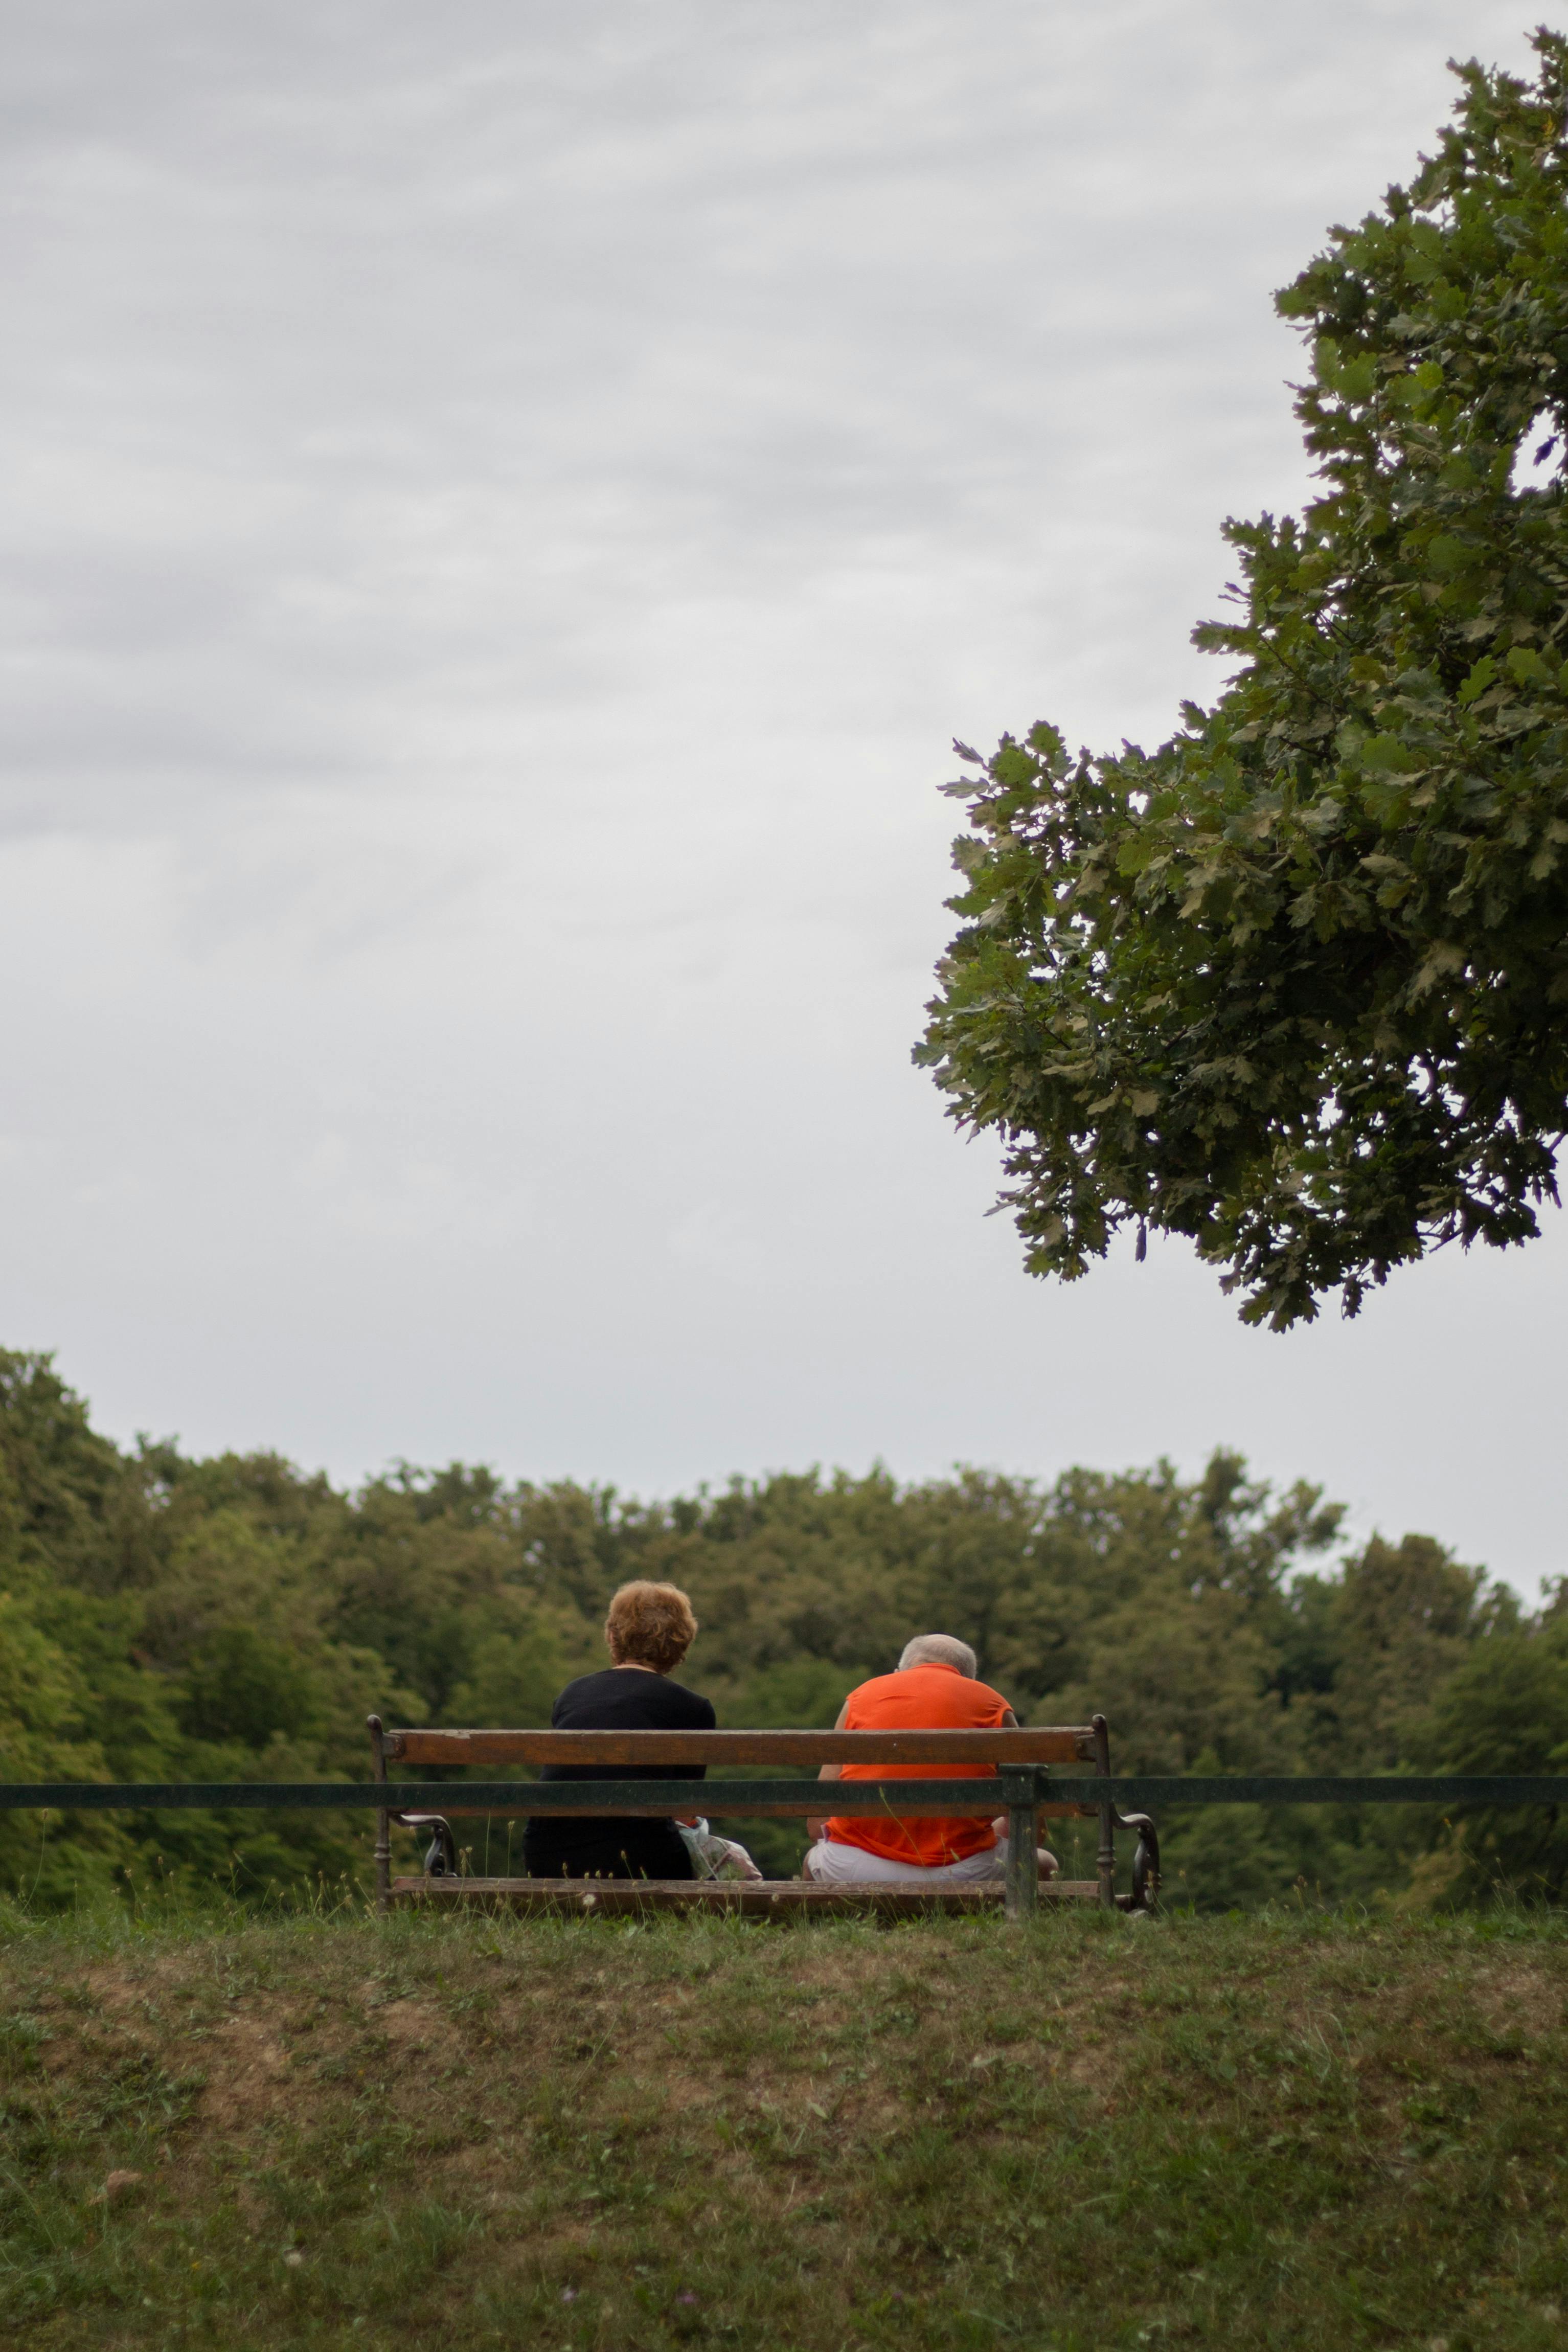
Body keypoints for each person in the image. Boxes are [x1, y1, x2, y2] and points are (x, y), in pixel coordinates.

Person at [801, 1634, 1058, 1885]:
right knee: (1044, 1863)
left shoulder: (860, 1698)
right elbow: (1032, 1833)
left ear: (899, 1671)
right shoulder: (991, 1703)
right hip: (965, 1872)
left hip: (854, 1868)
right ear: (967, 1679)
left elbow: (817, 1825)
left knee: (813, 1859)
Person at [524, 1580, 723, 1882]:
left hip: (547, 1855)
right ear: (681, 1641)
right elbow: (684, 1814)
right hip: (642, 1858)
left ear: (613, 1635)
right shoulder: (693, 1708)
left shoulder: (571, 1694)